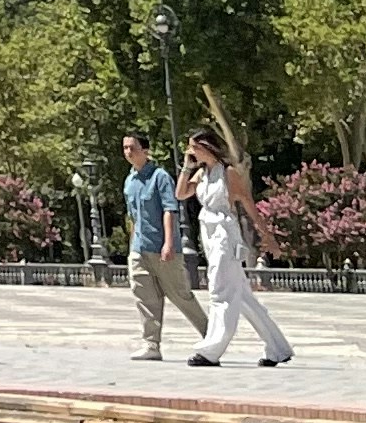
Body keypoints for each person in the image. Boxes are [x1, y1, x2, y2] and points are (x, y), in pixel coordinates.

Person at [183, 125, 292, 370]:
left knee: (220, 291)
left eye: (194, 147)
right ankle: (277, 349)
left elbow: (248, 204)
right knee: (241, 296)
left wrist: (268, 237)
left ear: (206, 147)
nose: (190, 151)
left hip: (224, 234)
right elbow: (181, 194)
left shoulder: (228, 173)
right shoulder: (201, 174)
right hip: (208, 234)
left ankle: (211, 349)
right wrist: (187, 167)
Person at [120, 128, 200, 360]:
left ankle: (211, 336)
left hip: (162, 248)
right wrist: (131, 247)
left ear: (145, 150)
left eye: (132, 148)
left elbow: (169, 210)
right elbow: (132, 217)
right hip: (139, 248)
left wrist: (168, 243)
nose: (128, 152)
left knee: (180, 295)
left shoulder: (160, 177)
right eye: (125, 148)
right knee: (144, 296)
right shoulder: (130, 181)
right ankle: (151, 345)